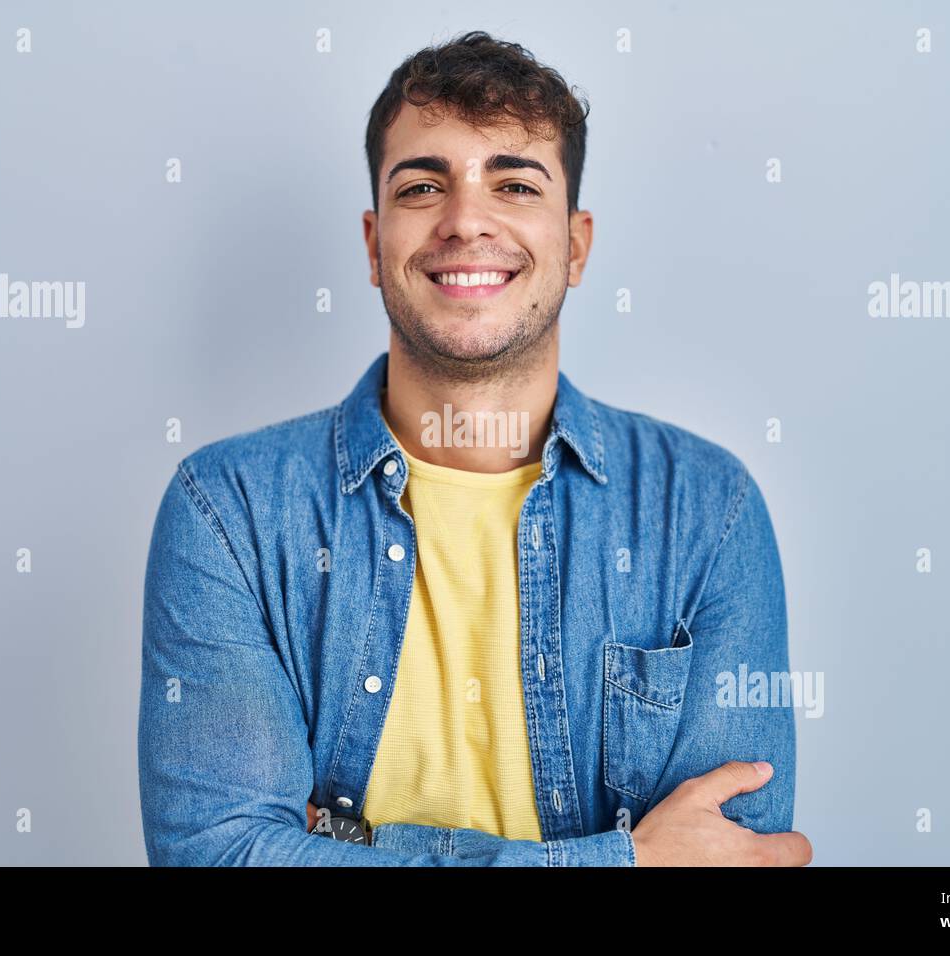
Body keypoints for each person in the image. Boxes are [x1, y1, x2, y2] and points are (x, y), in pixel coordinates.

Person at [138, 30, 812, 867]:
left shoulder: (707, 508)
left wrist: (356, 845)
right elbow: (221, 856)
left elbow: (736, 855)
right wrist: (624, 858)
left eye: (515, 183)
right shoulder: (228, 510)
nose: (465, 221)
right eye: (423, 186)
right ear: (373, 245)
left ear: (577, 245)